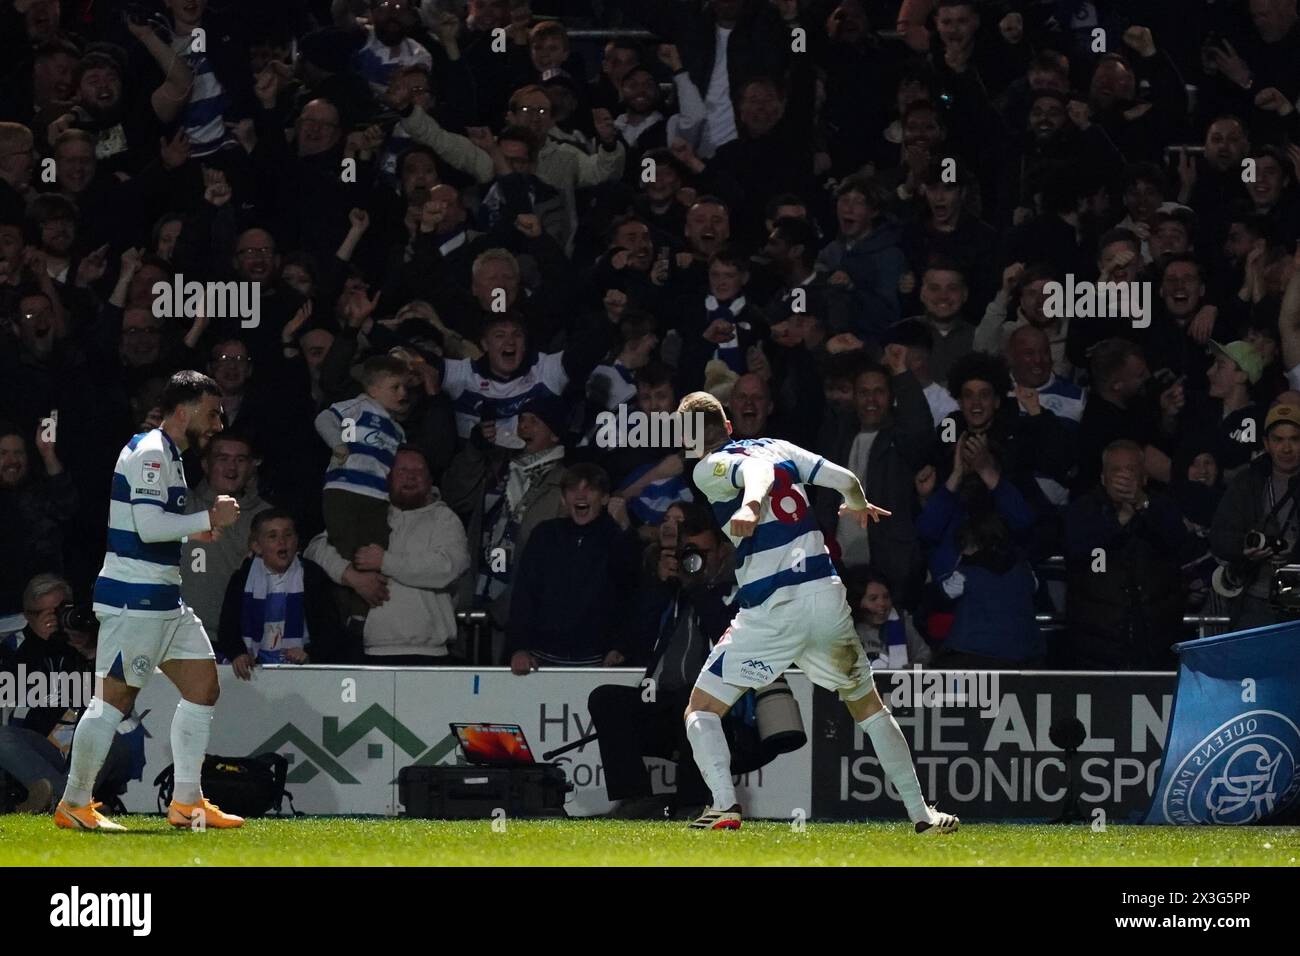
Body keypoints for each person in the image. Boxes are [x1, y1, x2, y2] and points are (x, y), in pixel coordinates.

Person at [675, 390, 958, 833]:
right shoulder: (780, 446)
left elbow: (754, 470)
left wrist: (751, 504)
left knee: (701, 709)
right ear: (728, 425)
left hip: (772, 607)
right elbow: (844, 477)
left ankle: (725, 807)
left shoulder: (706, 468)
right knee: (869, 709)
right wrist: (859, 502)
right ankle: (923, 814)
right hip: (825, 596)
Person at [55, 371, 243, 831]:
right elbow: (147, 527)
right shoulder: (152, 453)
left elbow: (154, 526)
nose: (218, 423)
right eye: (212, 412)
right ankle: (73, 804)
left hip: (162, 599)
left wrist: (197, 528)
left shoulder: (170, 456)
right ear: (185, 409)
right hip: (136, 599)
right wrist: (206, 515)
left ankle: (185, 803)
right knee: (113, 701)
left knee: (203, 685)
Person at [216, 509, 345, 674]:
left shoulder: (312, 576)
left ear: (297, 540)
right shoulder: (242, 579)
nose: (282, 542)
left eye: (288, 535)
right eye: (272, 536)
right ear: (257, 546)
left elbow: (330, 629)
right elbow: (228, 626)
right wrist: (238, 654)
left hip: (303, 671)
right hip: (255, 670)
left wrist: (309, 654)